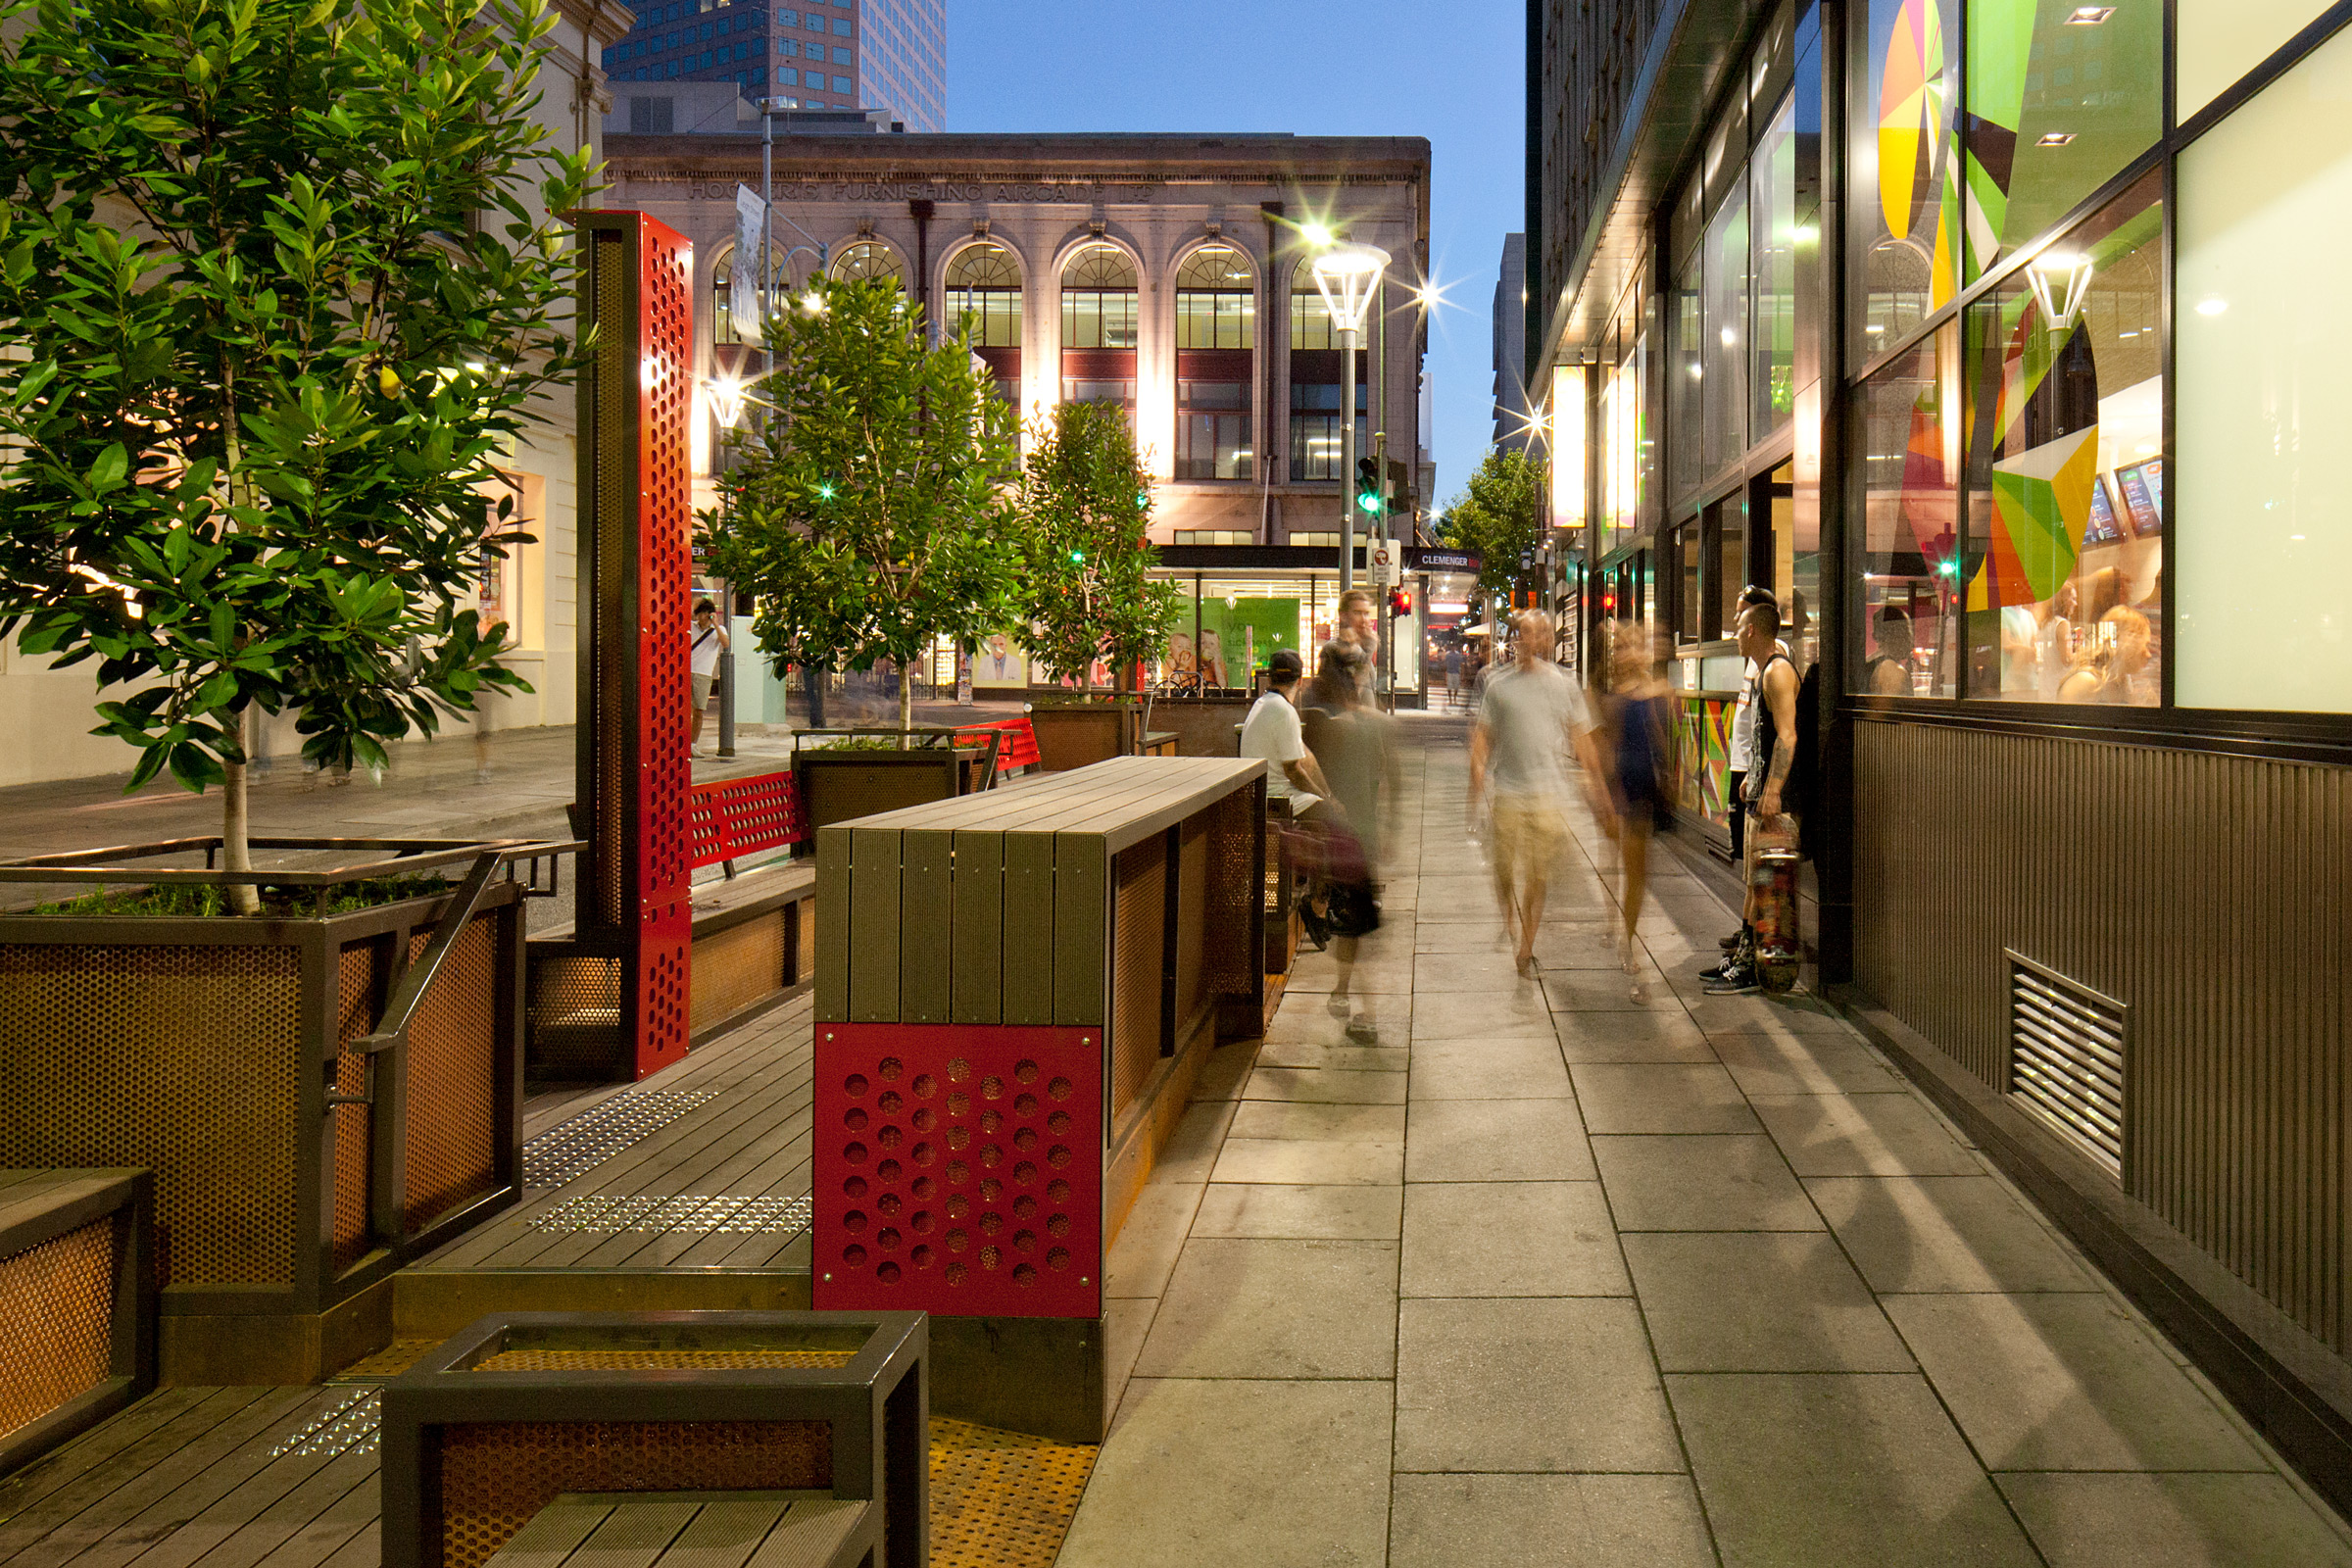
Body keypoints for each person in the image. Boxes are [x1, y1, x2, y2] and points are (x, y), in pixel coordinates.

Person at [1469, 612, 1603, 978]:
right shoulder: (1498, 685)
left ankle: (1526, 945)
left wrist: (1598, 788)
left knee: (1537, 873)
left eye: (1539, 633)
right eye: (1525, 633)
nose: (1531, 640)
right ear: (1516, 639)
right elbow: (1483, 737)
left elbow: (1582, 739)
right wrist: (1475, 780)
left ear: (1548, 641)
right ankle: (1510, 920)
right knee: (1503, 869)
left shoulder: (1565, 684)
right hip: (1509, 791)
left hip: (1547, 794)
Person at [1705, 601, 1801, 995]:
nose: (1735, 633)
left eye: (1740, 626)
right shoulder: (1764, 671)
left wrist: (1774, 787)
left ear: (1754, 631)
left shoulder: (1777, 672)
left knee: (1763, 885)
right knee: (1752, 883)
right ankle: (1746, 958)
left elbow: (1788, 734)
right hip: (1760, 793)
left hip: (1774, 800)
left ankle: (1750, 966)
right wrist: (1756, 780)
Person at [1299, 642, 1386, 1038]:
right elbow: (1384, 776)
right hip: (1354, 829)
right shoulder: (1356, 721)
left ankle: (1350, 997)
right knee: (1357, 921)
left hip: (1343, 828)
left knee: (1354, 919)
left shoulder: (1319, 718)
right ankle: (1359, 1006)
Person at [1596, 624, 1676, 999]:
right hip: (1624, 787)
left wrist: (1674, 779)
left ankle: (1624, 932)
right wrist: (1608, 799)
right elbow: (1609, 749)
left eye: (1633, 646)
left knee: (1639, 874)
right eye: (1620, 647)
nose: (1626, 653)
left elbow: (1665, 738)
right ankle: (1626, 940)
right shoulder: (1613, 699)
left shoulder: (1661, 691)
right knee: (1627, 869)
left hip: (1647, 787)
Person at [1239, 649, 1333, 815]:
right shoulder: (1284, 711)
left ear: (1269, 679)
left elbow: (1303, 754)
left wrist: (1326, 794)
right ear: (1300, 682)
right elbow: (1294, 771)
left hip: (1257, 794)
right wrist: (1325, 799)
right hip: (1278, 798)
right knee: (1338, 824)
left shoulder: (1262, 704)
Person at [688, 598, 728, 756]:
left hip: (703, 674)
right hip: (686, 671)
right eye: (699, 614)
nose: (701, 617)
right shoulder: (690, 627)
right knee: (683, 710)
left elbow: (725, 643)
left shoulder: (718, 630)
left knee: (698, 709)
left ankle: (692, 744)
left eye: (705, 614)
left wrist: (716, 624)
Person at [1864, 605, 1913, 696]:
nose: (1911, 641)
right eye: (1907, 632)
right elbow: (1892, 709)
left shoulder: (1870, 663)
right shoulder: (1891, 670)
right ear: (1896, 634)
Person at [1445, 644, 1463, 709]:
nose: (1454, 648)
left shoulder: (1458, 654)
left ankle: (1454, 699)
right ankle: (1450, 700)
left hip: (1456, 672)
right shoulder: (1448, 654)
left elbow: (1460, 663)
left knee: (1456, 686)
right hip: (1450, 671)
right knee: (1449, 686)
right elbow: (1445, 663)